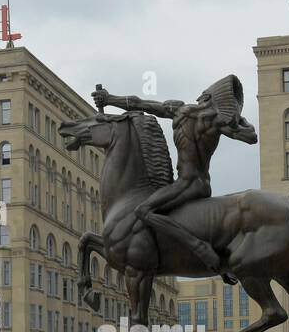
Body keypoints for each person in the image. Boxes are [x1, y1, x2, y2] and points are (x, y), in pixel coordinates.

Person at [94, 75, 257, 283]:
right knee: (167, 213)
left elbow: (138, 104)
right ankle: (218, 258)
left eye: (203, 95)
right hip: (198, 184)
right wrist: (236, 117)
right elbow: (251, 136)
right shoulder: (215, 119)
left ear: (206, 96)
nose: (199, 98)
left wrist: (109, 99)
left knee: (142, 210)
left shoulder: (181, 111)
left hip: (186, 185)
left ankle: (200, 248)